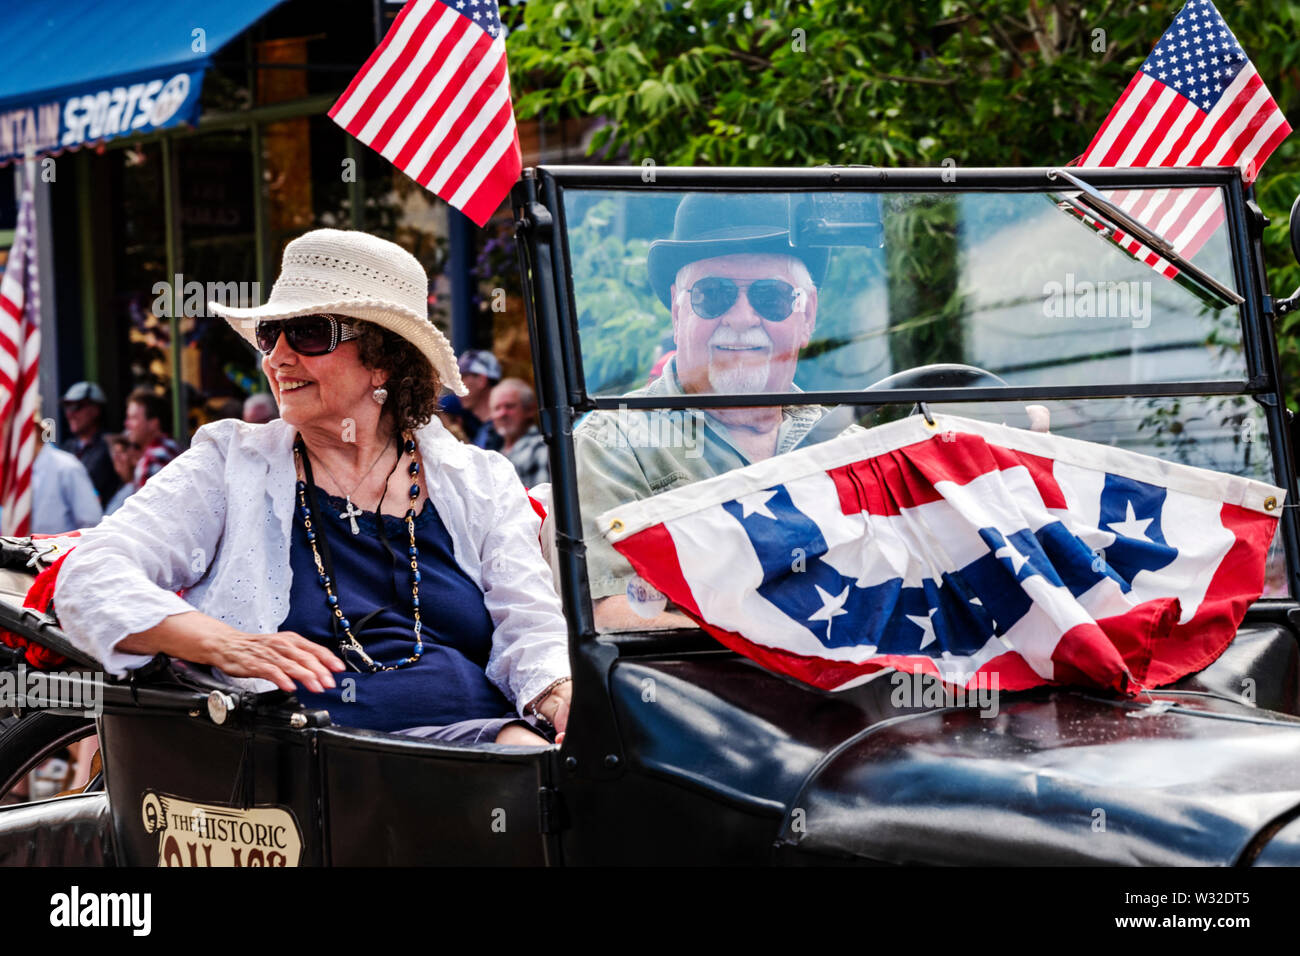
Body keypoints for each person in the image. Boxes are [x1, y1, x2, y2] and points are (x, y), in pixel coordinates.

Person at [54, 229, 571, 746]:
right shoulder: (230, 463)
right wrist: (225, 643)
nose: (276, 358)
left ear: (383, 358)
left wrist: (557, 693)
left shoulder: (478, 478)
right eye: (269, 334)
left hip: (478, 741)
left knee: (568, 770)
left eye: (305, 332)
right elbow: (90, 574)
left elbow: (529, 624)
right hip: (302, 770)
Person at [574, 193, 837, 631]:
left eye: (770, 297)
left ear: (806, 315)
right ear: (678, 310)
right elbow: (611, 615)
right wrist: (787, 640)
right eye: (712, 295)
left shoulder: (843, 439)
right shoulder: (614, 444)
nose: (740, 317)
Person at [32, 423, 104, 534]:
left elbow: (91, 523)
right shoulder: (12, 474)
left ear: (35, 431)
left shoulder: (66, 467)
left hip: (61, 550)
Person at [59, 381, 120, 507]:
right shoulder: (66, 448)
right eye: (66, 407)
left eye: (76, 407)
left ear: (95, 410)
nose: (70, 414)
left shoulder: (110, 447)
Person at [490, 378, 549, 488]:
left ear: (530, 410)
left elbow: (543, 501)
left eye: (509, 406)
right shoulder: (499, 453)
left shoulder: (541, 447)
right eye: (497, 408)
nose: (502, 413)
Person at [440, 350, 503, 450]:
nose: (456, 386)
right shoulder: (484, 429)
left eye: (461, 377)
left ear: (481, 380)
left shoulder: (503, 430)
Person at [123, 388, 179, 489]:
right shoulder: (173, 448)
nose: (127, 424)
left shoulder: (151, 461)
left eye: (133, 418)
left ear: (153, 424)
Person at [103, 434, 139, 516]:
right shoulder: (115, 488)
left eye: (121, 452)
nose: (116, 458)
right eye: (115, 453)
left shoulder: (138, 488)